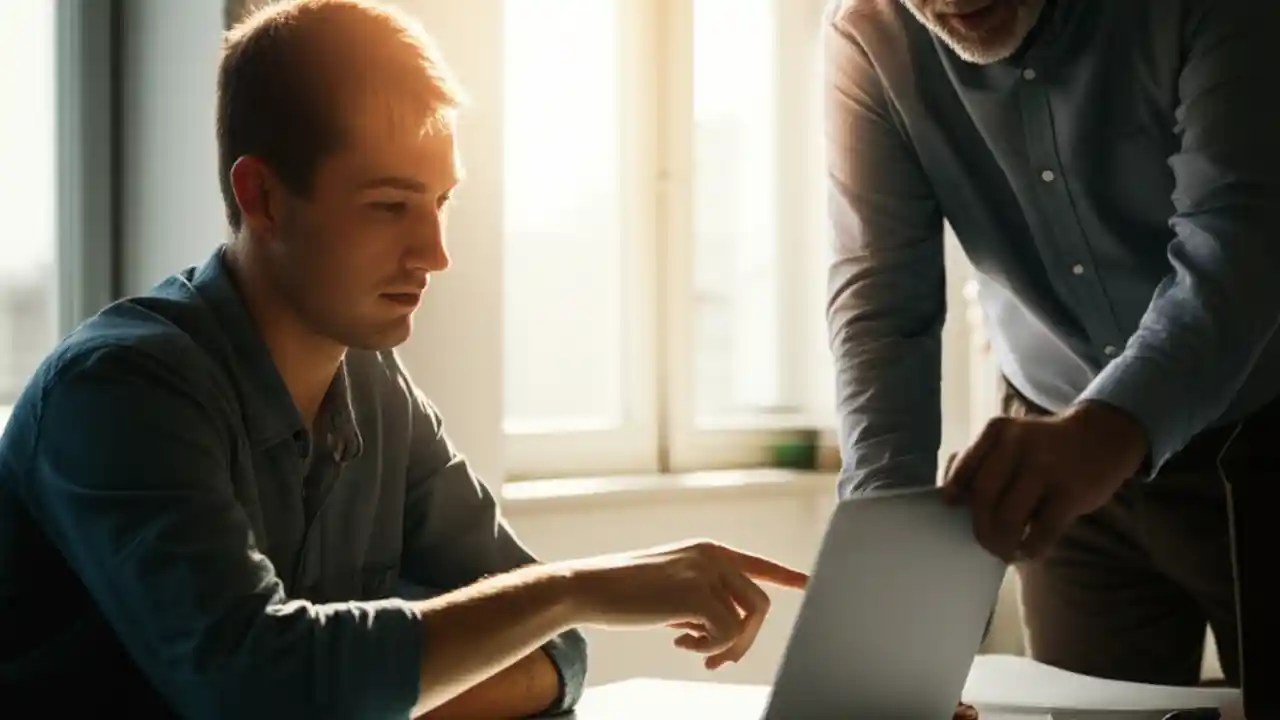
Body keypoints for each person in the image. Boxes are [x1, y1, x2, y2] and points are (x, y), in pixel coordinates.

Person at [0, 1, 813, 717]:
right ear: (264, 198)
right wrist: (577, 589)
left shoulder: (371, 383)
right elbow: (260, 689)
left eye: (441, 203)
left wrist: (378, 689)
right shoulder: (118, 390)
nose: (434, 253)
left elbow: (556, 656)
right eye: (390, 206)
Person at [825, 0, 1279, 689]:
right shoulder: (867, 34)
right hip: (1053, 466)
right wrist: (889, 547)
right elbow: (882, 306)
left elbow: (1240, 243)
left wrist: (1108, 429)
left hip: (1261, 426)